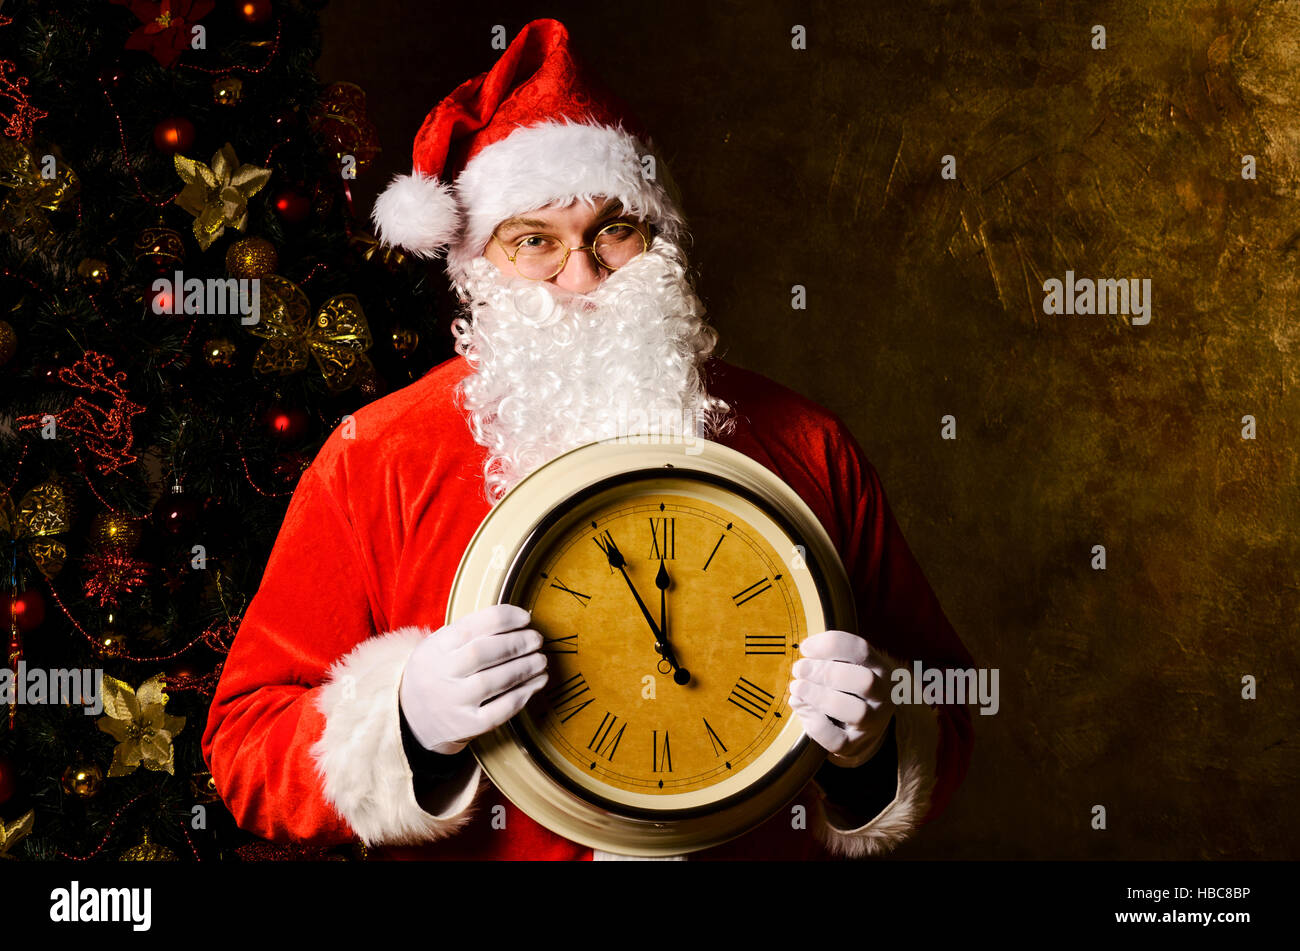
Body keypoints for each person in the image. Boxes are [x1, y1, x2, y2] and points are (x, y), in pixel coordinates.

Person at [201, 18, 975, 860]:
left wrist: (877, 740)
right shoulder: (376, 457)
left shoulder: (809, 446)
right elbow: (244, 745)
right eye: (534, 241)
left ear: (660, 236)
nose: (584, 276)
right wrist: (406, 722)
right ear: (476, 266)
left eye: (615, 230)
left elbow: (954, 704)